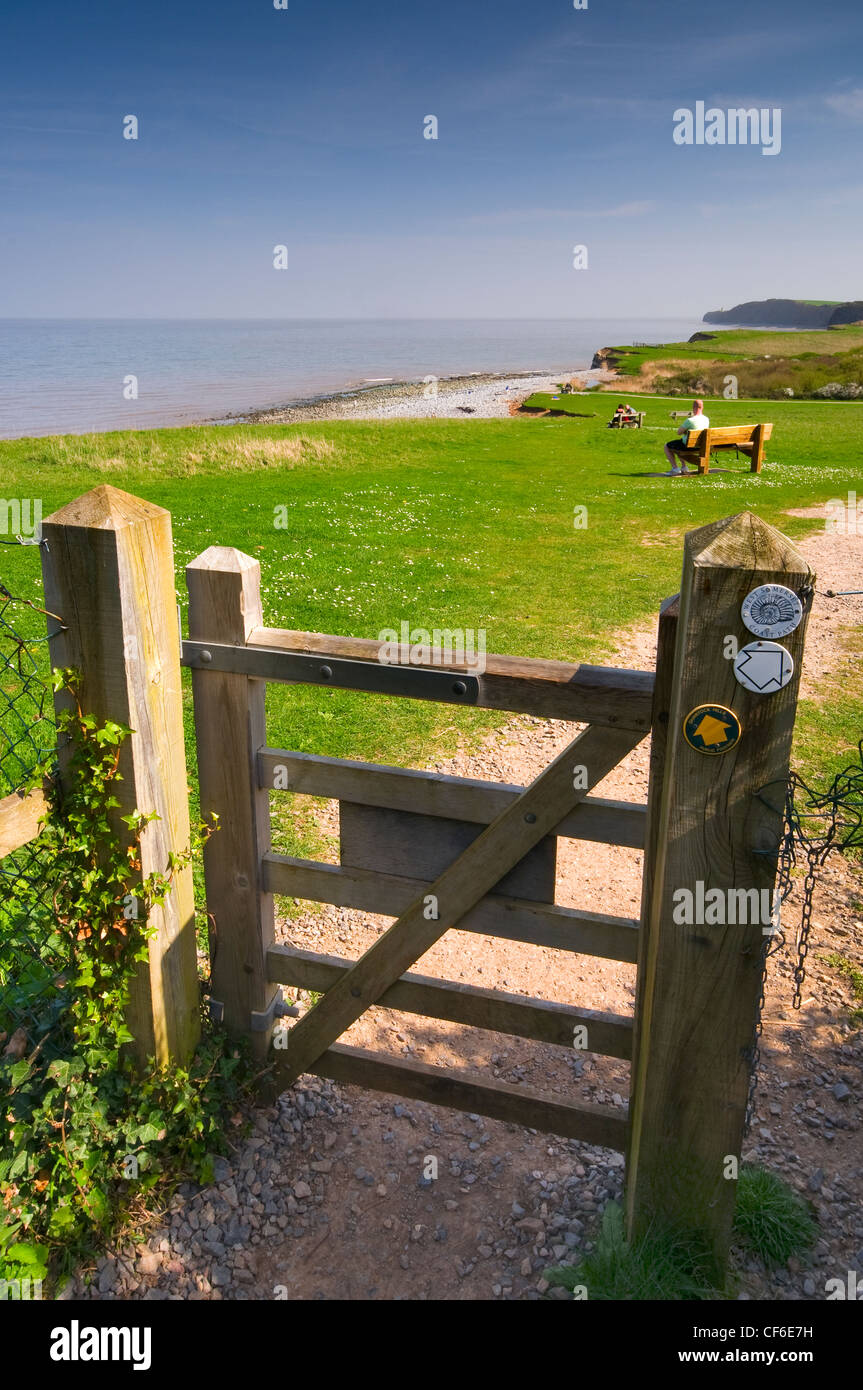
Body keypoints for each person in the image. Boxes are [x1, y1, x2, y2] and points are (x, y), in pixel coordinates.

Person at [664, 398, 709, 474]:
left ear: (693, 407)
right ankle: (684, 467)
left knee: (667, 446)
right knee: (678, 444)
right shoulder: (706, 419)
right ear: (702, 407)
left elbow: (679, 432)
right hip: (701, 446)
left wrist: (685, 431)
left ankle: (675, 468)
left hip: (688, 446)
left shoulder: (690, 420)